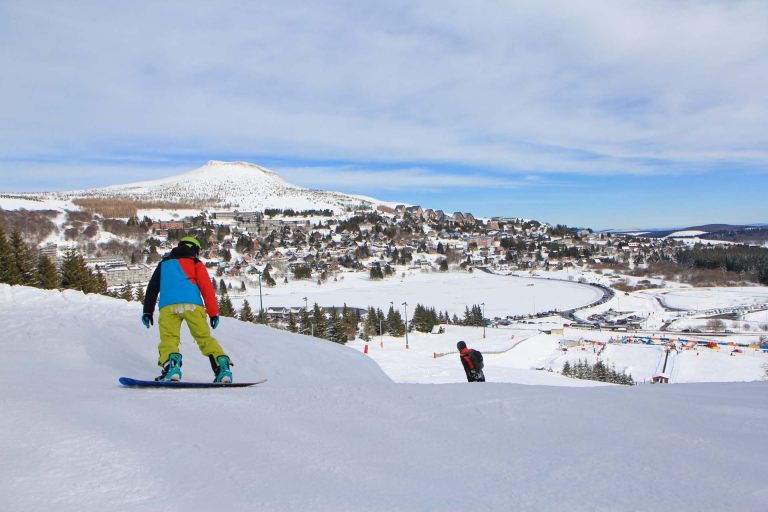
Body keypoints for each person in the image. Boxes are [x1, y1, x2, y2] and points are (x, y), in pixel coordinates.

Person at [142, 236, 233, 383]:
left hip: (168, 306)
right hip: (193, 306)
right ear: (195, 251)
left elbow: (152, 288)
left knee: (169, 339)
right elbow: (207, 290)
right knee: (204, 338)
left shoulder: (163, 264)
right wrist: (213, 313)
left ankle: (171, 368)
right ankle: (222, 367)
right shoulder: (196, 264)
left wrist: (147, 311)